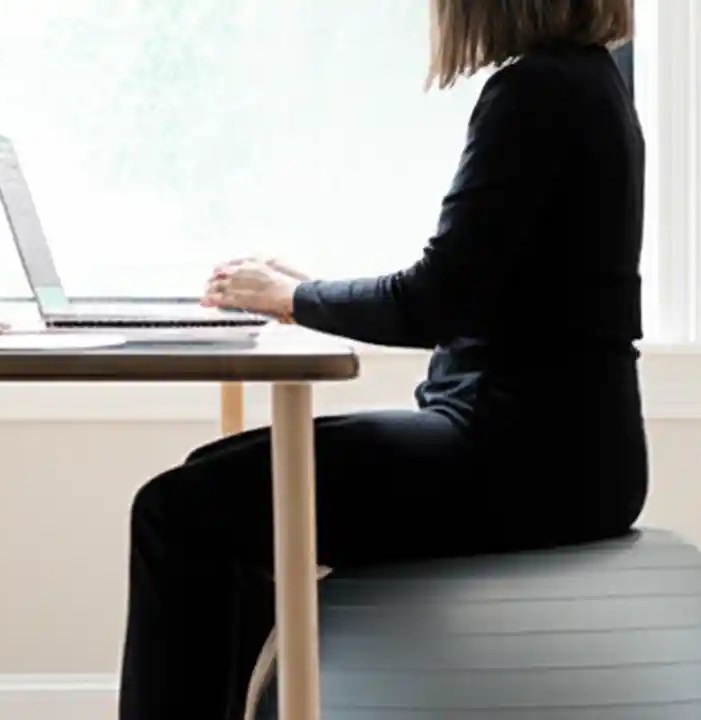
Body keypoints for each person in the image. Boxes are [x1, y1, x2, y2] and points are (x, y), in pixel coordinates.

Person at [120, 0, 646, 717]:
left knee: (176, 513)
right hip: (571, 455)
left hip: (523, 457)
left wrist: (294, 298)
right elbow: (482, 286)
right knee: (210, 486)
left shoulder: (535, 92)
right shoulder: (589, 81)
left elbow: (434, 302)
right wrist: (299, 292)